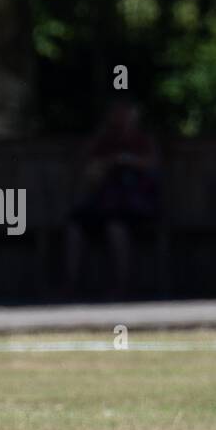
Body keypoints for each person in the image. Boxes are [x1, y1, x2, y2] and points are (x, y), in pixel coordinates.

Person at [64, 100, 161, 300]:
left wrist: (127, 160)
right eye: (116, 113)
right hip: (105, 204)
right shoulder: (105, 140)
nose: (120, 117)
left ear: (134, 115)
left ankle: (122, 287)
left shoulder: (142, 139)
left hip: (135, 206)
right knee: (75, 226)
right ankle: (71, 286)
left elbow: (153, 166)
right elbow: (89, 171)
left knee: (116, 228)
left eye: (125, 112)